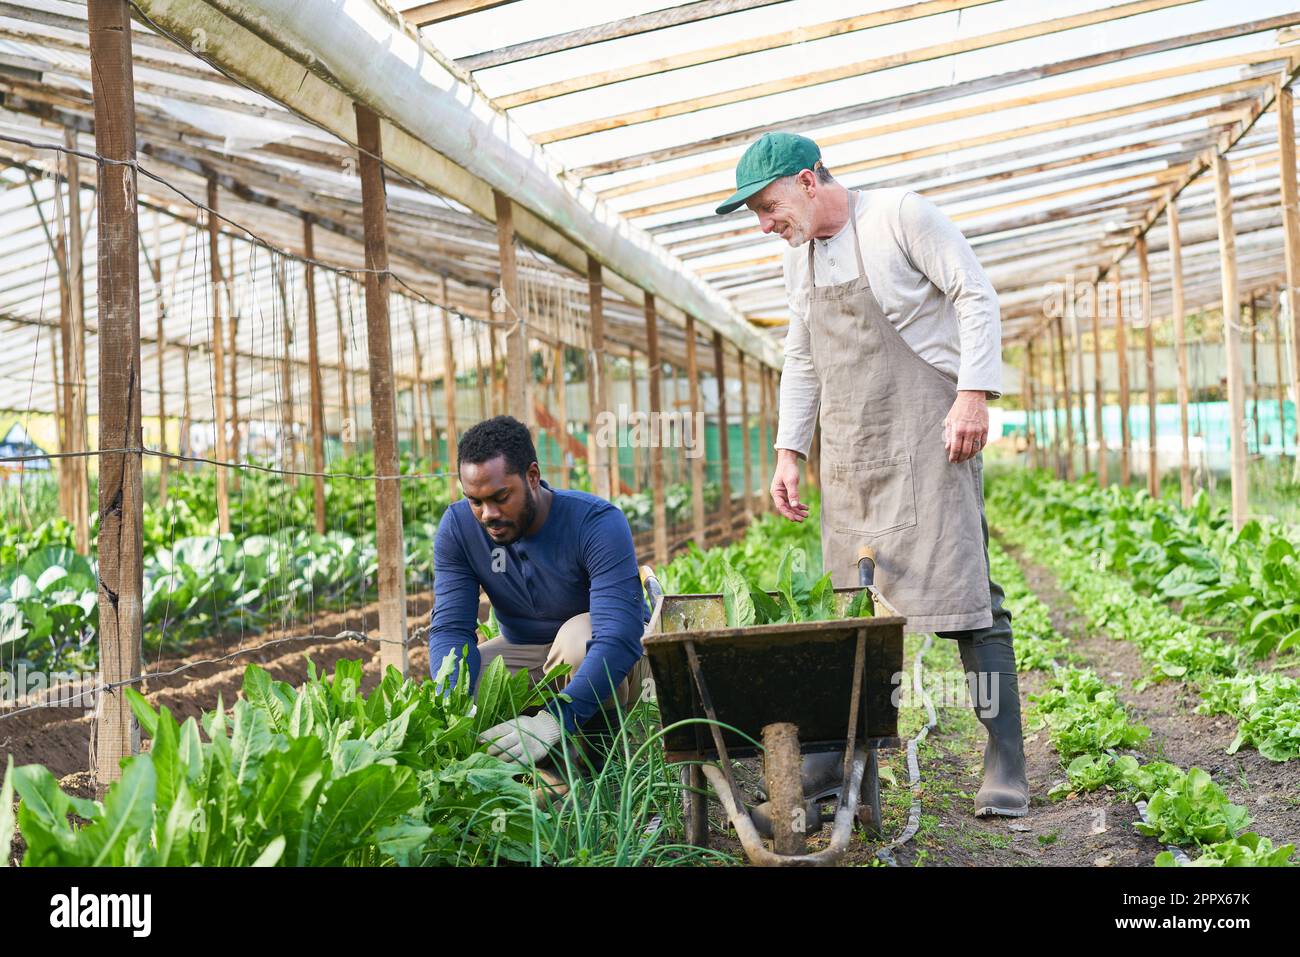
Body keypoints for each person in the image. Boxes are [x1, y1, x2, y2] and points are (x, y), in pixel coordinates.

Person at [717, 131, 1028, 818]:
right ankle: (833, 769)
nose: (767, 226)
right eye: (758, 218)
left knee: (966, 595)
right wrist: (788, 450)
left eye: (768, 209)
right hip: (854, 452)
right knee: (850, 612)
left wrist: (973, 392)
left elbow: (974, 294)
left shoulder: (899, 217)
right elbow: (802, 359)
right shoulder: (798, 263)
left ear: (806, 181)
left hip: (929, 435)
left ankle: (1005, 758)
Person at [426, 415, 650, 768]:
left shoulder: (596, 522)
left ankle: (604, 765)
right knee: (460, 677)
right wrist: (455, 703)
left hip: (614, 658)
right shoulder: (458, 528)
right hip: (524, 651)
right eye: (475, 501)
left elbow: (618, 635)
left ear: (532, 476)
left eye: (501, 497)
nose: (488, 514)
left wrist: (553, 721)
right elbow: (451, 629)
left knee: (580, 641)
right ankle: (521, 765)